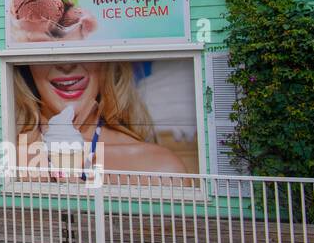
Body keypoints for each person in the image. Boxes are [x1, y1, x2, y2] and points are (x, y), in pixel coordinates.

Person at [13, 61, 187, 174]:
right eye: (47, 50)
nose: (66, 65)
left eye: (82, 48)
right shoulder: (4, 157)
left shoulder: (159, 168)